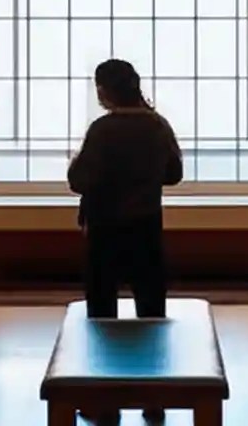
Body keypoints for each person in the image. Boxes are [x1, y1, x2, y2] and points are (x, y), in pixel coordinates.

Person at [68, 59, 183, 321]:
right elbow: (173, 175)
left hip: (104, 224)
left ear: (103, 90)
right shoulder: (158, 125)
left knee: (101, 303)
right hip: (146, 221)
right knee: (150, 300)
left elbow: (79, 180)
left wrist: (75, 160)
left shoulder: (102, 129)